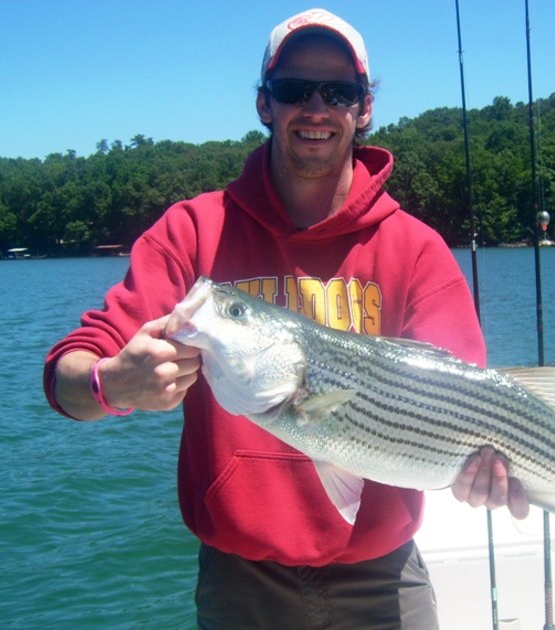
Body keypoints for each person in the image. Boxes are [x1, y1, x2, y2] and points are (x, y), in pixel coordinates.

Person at [44, 8, 528, 629]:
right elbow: (68, 374)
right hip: (240, 580)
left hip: (381, 579)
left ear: (365, 107)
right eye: (294, 89)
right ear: (264, 104)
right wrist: (109, 385)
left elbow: (467, 406)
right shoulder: (193, 232)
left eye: (340, 92)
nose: (317, 108)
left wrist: (485, 473)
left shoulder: (417, 249)